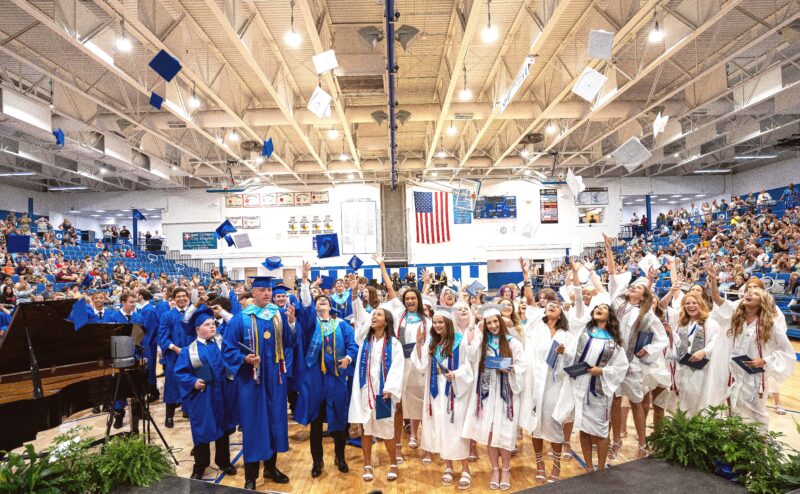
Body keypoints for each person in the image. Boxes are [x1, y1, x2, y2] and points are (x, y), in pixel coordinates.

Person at [221, 277, 296, 489]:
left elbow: (290, 343)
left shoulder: (279, 316)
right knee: (254, 425)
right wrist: (244, 359)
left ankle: (271, 468)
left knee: (275, 421)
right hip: (251, 381)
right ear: (252, 293)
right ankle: (250, 477)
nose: (267, 293)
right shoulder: (240, 319)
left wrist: (291, 324)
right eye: (262, 290)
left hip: (275, 379)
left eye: (269, 290)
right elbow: (227, 349)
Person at [555, 303, 628, 473]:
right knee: (585, 427)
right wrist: (562, 352)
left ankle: (601, 468)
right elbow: (572, 355)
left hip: (598, 388)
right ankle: (588, 466)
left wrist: (602, 370)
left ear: (610, 316)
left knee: (601, 429)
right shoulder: (583, 333)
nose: (599, 309)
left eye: (604, 308)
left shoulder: (613, 341)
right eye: (597, 307)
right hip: (579, 384)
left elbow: (621, 367)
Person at [462, 306, 526, 491]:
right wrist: (476, 326)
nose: (493, 325)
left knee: (505, 433)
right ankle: (495, 469)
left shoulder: (512, 342)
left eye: (495, 321)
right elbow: (471, 355)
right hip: (487, 395)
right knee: (490, 432)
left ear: (500, 322)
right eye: (489, 323)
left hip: (507, 395)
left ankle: (506, 469)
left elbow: (522, 364)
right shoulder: (482, 342)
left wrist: (511, 368)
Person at [374, 256, 431, 463]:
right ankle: (397, 447)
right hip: (401, 366)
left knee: (425, 406)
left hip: (422, 367)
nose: (409, 301)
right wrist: (382, 266)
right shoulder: (398, 315)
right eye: (407, 299)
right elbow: (390, 289)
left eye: (413, 299)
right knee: (398, 407)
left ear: (418, 300)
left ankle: (426, 447)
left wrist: (425, 284)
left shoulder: (428, 321)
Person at [411, 306, 475, 489]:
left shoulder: (460, 341)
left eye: (441, 322)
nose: (437, 325)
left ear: (448, 323)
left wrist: (456, 374)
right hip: (435, 392)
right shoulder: (431, 341)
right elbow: (422, 365)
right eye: (435, 322)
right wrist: (418, 344)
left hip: (454, 390)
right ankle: (448, 466)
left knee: (456, 429)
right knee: (441, 428)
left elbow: (468, 366)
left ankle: (465, 469)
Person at [295, 294, 357, 478]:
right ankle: (317, 461)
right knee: (316, 423)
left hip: (336, 378)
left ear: (330, 306)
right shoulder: (310, 326)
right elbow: (304, 308)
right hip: (315, 380)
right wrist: (305, 283)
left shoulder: (342, 325)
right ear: (314, 307)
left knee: (338, 421)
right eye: (318, 301)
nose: (322, 302)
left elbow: (352, 345)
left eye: (325, 300)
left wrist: (348, 358)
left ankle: (340, 457)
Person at [174, 306, 238, 480]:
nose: (212, 327)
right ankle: (200, 466)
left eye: (213, 324)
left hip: (222, 395)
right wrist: (193, 382)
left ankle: (224, 462)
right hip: (203, 398)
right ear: (197, 329)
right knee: (202, 431)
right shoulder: (189, 350)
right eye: (207, 324)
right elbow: (180, 373)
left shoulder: (221, 344)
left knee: (223, 430)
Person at [520, 298, 576, 484]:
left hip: (555, 383)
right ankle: (540, 464)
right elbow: (527, 334)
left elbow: (572, 359)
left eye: (557, 305)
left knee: (554, 424)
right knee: (536, 426)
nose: (552, 305)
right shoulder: (536, 328)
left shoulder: (566, 334)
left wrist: (564, 352)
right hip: (536, 383)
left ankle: (556, 466)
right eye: (549, 304)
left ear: (562, 314)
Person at [723, 288, 794, 432]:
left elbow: (787, 352)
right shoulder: (737, 320)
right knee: (733, 410)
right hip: (734, 373)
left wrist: (765, 360)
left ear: (762, 302)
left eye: (755, 294)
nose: (749, 293)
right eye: (748, 292)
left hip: (754, 376)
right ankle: (735, 448)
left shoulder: (770, 324)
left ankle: (759, 449)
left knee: (757, 415)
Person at [348, 302, 404, 483]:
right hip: (365, 391)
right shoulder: (364, 339)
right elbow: (358, 315)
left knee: (387, 430)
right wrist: (356, 296)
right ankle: (367, 464)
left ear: (387, 321)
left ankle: (393, 463)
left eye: (378, 315)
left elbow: (397, 367)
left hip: (384, 393)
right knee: (366, 428)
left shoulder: (394, 343)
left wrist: (390, 388)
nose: (374, 317)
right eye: (373, 314)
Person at [157, 287, 194, 428]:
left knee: (191, 382)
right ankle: (169, 416)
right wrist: (175, 349)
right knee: (172, 385)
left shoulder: (193, 315)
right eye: (178, 296)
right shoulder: (167, 316)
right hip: (174, 355)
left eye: (184, 296)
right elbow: (163, 337)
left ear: (188, 298)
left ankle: (188, 410)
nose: (181, 299)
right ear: (173, 299)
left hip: (191, 354)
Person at [107, 293, 143, 430]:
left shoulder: (138, 317)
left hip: (134, 357)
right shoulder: (112, 317)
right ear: (123, 302)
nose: (134, 304)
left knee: (136, 387)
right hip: (118, 358)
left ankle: (137, 413)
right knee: (119, 389)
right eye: (131, 302)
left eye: (135, 302)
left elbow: (141, 336)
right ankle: (119, 415)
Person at [136, 288, 161, 401]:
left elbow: (147, 330)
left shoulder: (148, 310)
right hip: (145, 342)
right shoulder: (144, 309)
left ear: (140, 296)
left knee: (149, 368)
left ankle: (153, 392)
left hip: (148, 343)